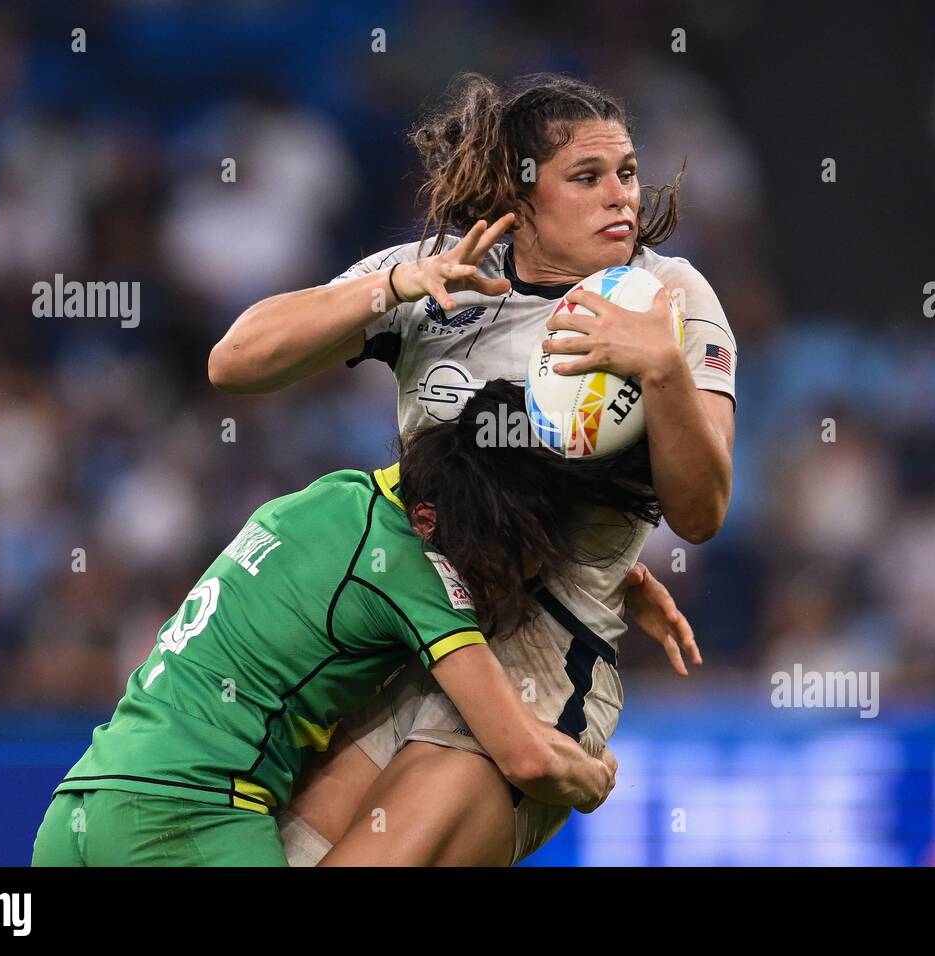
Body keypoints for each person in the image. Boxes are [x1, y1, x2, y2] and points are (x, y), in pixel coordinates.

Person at [210, 72, 736, 866]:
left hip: (539, 664)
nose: (620, 197)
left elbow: (701, 513)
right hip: (400, 646)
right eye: (587, 178)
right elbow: (234, 362)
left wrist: (661, 369)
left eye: (626, 173)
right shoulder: (442, 279)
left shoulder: (668, 296)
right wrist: (386, 287)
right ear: (518, 197)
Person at [31, 380, 659, 866]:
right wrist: (590, 777)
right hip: (185, 818)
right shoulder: (416, 572)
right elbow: (521, 753)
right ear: (441, 524)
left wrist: (622, 581)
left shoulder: (331, 496)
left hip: (82, 805)